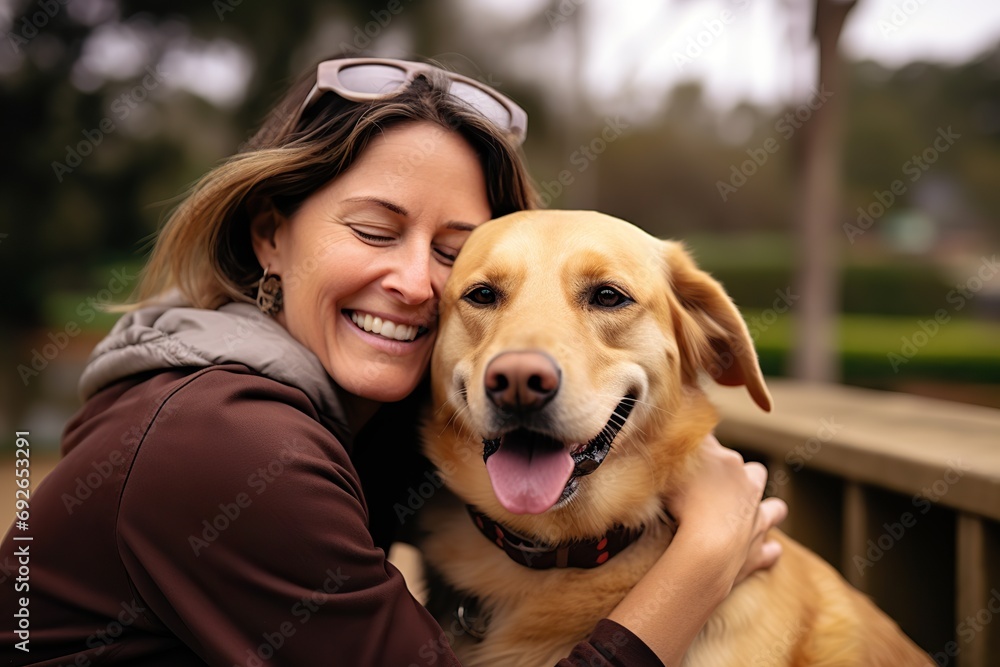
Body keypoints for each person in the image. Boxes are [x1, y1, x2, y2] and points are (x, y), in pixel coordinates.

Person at [0, 56, 787, 667]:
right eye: (375, 231)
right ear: (270, 236)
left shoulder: (340, 414)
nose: (416, 284)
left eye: (454, 253)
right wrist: (708, 552)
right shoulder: (229, 445)